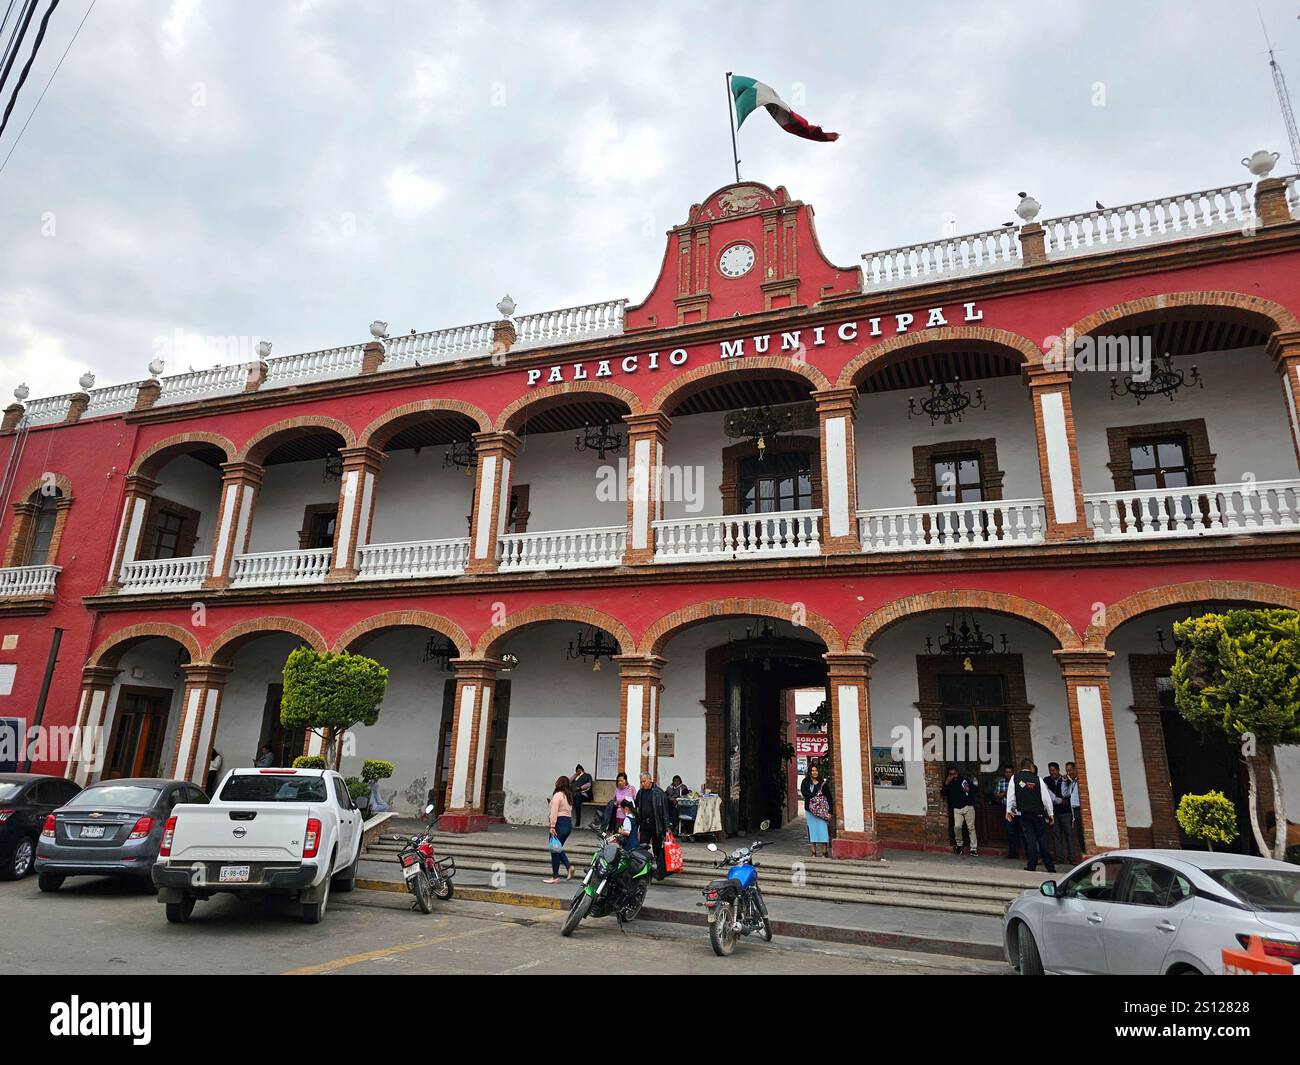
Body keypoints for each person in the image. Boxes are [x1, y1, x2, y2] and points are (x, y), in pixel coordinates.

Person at [1005, 758, 1056, 873]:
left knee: (1030, 839)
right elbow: (1046, 798)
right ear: (1031, 767)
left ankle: (1031, 865)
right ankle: (1050, 866)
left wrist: (1008, 811)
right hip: (1038, 814)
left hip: (1024, 814)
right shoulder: (1037, 779)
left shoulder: (1015, 778)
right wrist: (1051, 813)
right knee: (1042, 840)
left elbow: (1011, 796)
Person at [634, 773, 675, 879]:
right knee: (642, 848)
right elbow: (636, 806)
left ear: (650, 780)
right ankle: (643, 871)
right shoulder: (641, 792)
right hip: (644, 825)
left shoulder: (659, 793)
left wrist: (667, 827)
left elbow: (664, 811)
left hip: (656, 825)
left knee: (657, 849)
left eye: (644, 781)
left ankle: (660, 872)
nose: (642, 784)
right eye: (641, 782)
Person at [942, 765, 978, 856]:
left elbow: (975, 789)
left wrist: (968, 789)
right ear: (949, 775)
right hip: (957, 809)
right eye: (951, 774)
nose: (954, 776)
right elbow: (943, 793)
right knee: (957, 827)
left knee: (971, 828)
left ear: (957, 773)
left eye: (955, 773)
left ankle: (973, 848)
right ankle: (959, 845)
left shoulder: (964, 780)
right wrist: (946, 782)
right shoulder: (949, 783)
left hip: (968, 807)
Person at [1044, 762, 1077, 864]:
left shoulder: (1065, 780)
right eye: (1050, 771)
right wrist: (1059, 800)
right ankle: (1059, 857)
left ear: (1058, 770)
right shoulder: (1047, 780)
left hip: (1065, 811)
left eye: (1053, 770)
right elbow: (1047, 795)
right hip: (1053, 812)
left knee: (1069, 834)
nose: (1051, 772)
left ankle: (1072, 858)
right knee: (1056, 835)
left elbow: (1067, 794)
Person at [544, 776, 574, 883]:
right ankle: (568, 867)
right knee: (557, 848)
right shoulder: (568, 796)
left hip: (559, 824)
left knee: (555, 850)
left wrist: (552, 826)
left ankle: (556, 876)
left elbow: (554, 812)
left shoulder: (558, 795)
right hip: (568, 824)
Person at [800, 763, 832, 858]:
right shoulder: (805, 782)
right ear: (809, 772)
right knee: (812, 830)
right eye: (813, 771)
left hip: (821, 811)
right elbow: (804, 792)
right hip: (809, 810)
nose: (815, 772)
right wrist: (814, 797)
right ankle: (813, 852)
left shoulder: (823, 784)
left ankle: (824, 852)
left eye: (816, 771)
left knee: (823, 830)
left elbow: (829, 798)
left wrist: (830, 812)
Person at [994, 765, 1022, 860]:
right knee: (1010, 832)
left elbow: (1024, 791)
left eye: (1010, 772)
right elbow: (996, 795)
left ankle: (1026, 851)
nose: (1008, 774)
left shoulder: (1018, 781)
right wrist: (1005, 794)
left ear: (1013, 773)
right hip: (1006, 809)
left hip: (1018, 809)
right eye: (1006, 772)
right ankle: (1012, 852)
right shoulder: (1001, 782)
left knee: (1022, 831)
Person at [1065, 761, 1085, 854]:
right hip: (1074, 811)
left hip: (1081, 809)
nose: (1068, 773)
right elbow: (1065, 794)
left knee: (1083, 832)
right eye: (1067, 771)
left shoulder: (1081, 782)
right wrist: (1064, 783)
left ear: (1075, 769)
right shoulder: (1072, 783)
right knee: (1079, 833)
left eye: (1070, 770)